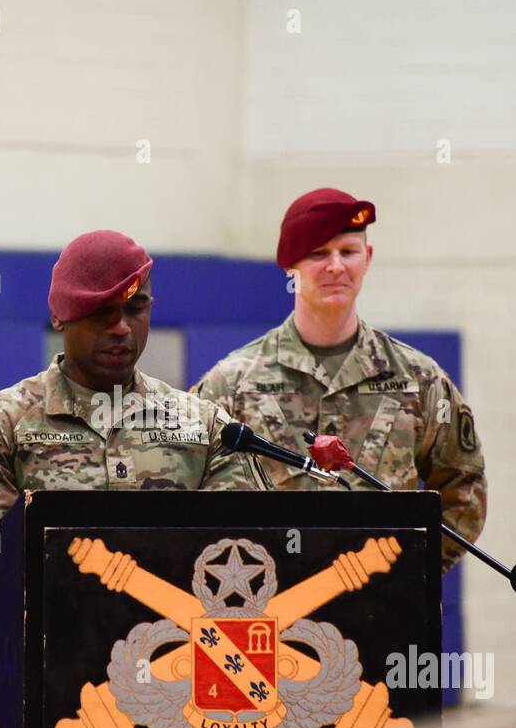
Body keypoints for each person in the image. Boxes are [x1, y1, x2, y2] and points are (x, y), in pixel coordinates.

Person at [0, 229, 267, 589]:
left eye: (135, 308)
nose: (121, 328)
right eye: (101, 312)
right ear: (59, 316)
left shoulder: (206, 427)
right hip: (52, 636)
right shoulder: (2, 424)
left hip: (172, 638)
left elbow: (250, 539)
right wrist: (54, 552)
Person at [191, 188, 486, 573]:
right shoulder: (230, 384)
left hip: (386, 609)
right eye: (318, 253)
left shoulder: (418, 379)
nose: (335, 266)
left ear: (368, 258)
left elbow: (464, 487)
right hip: (272, 607)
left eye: (348, 251)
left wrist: (412, 569)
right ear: (290, 266)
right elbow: (190, 498)